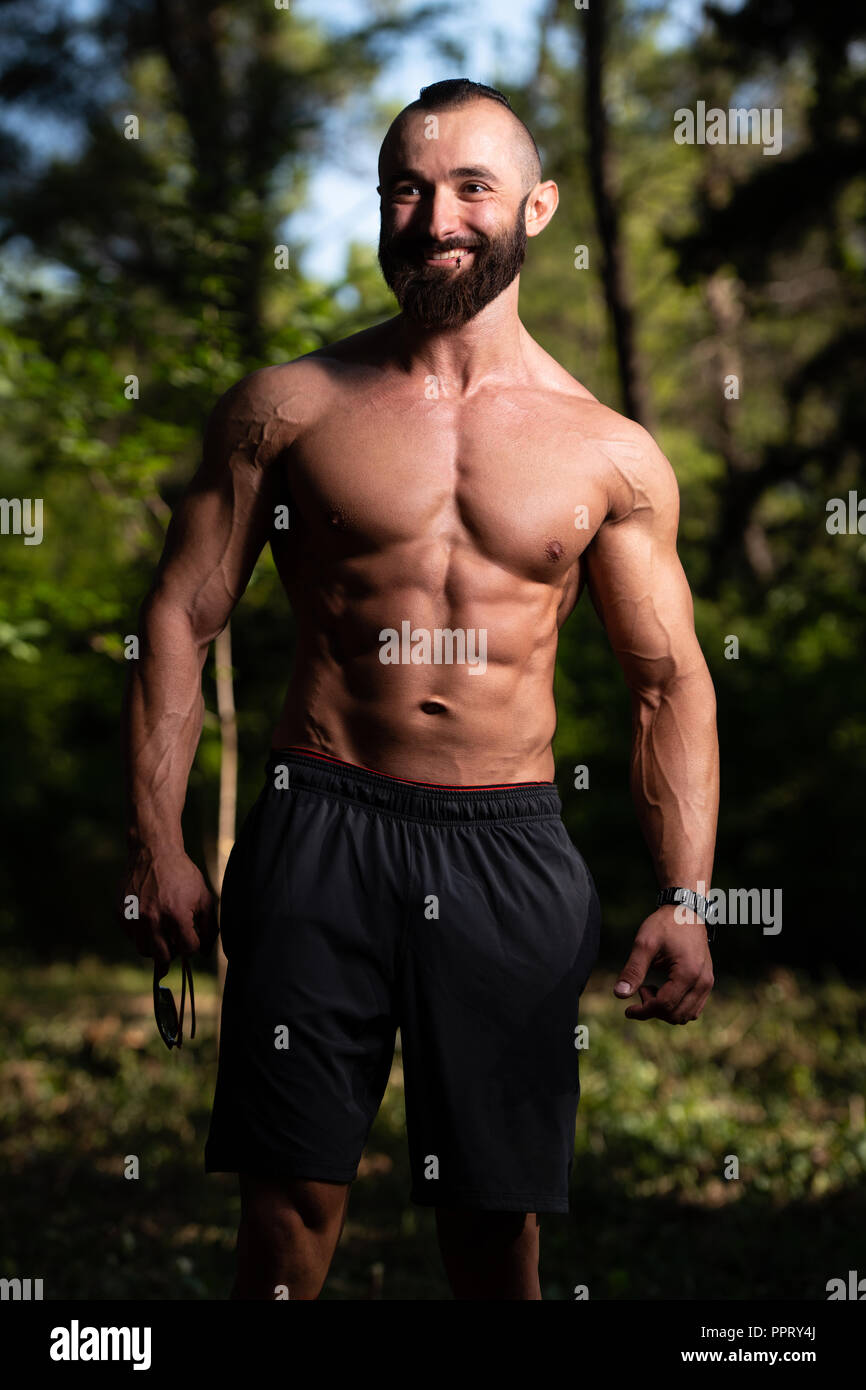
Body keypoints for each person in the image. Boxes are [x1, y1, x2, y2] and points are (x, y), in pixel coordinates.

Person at [120, 79, 719, 1301]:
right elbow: (179, 616)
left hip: (504, 843)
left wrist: (687, 893)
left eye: (469, 187)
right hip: (317, 824)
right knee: (286, 1214)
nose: (433, 214)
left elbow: (664, 682)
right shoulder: (284, 409)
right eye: (405, 186)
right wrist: (157, 845)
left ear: (536, 207)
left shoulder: (606, 451)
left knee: (495, 1230)